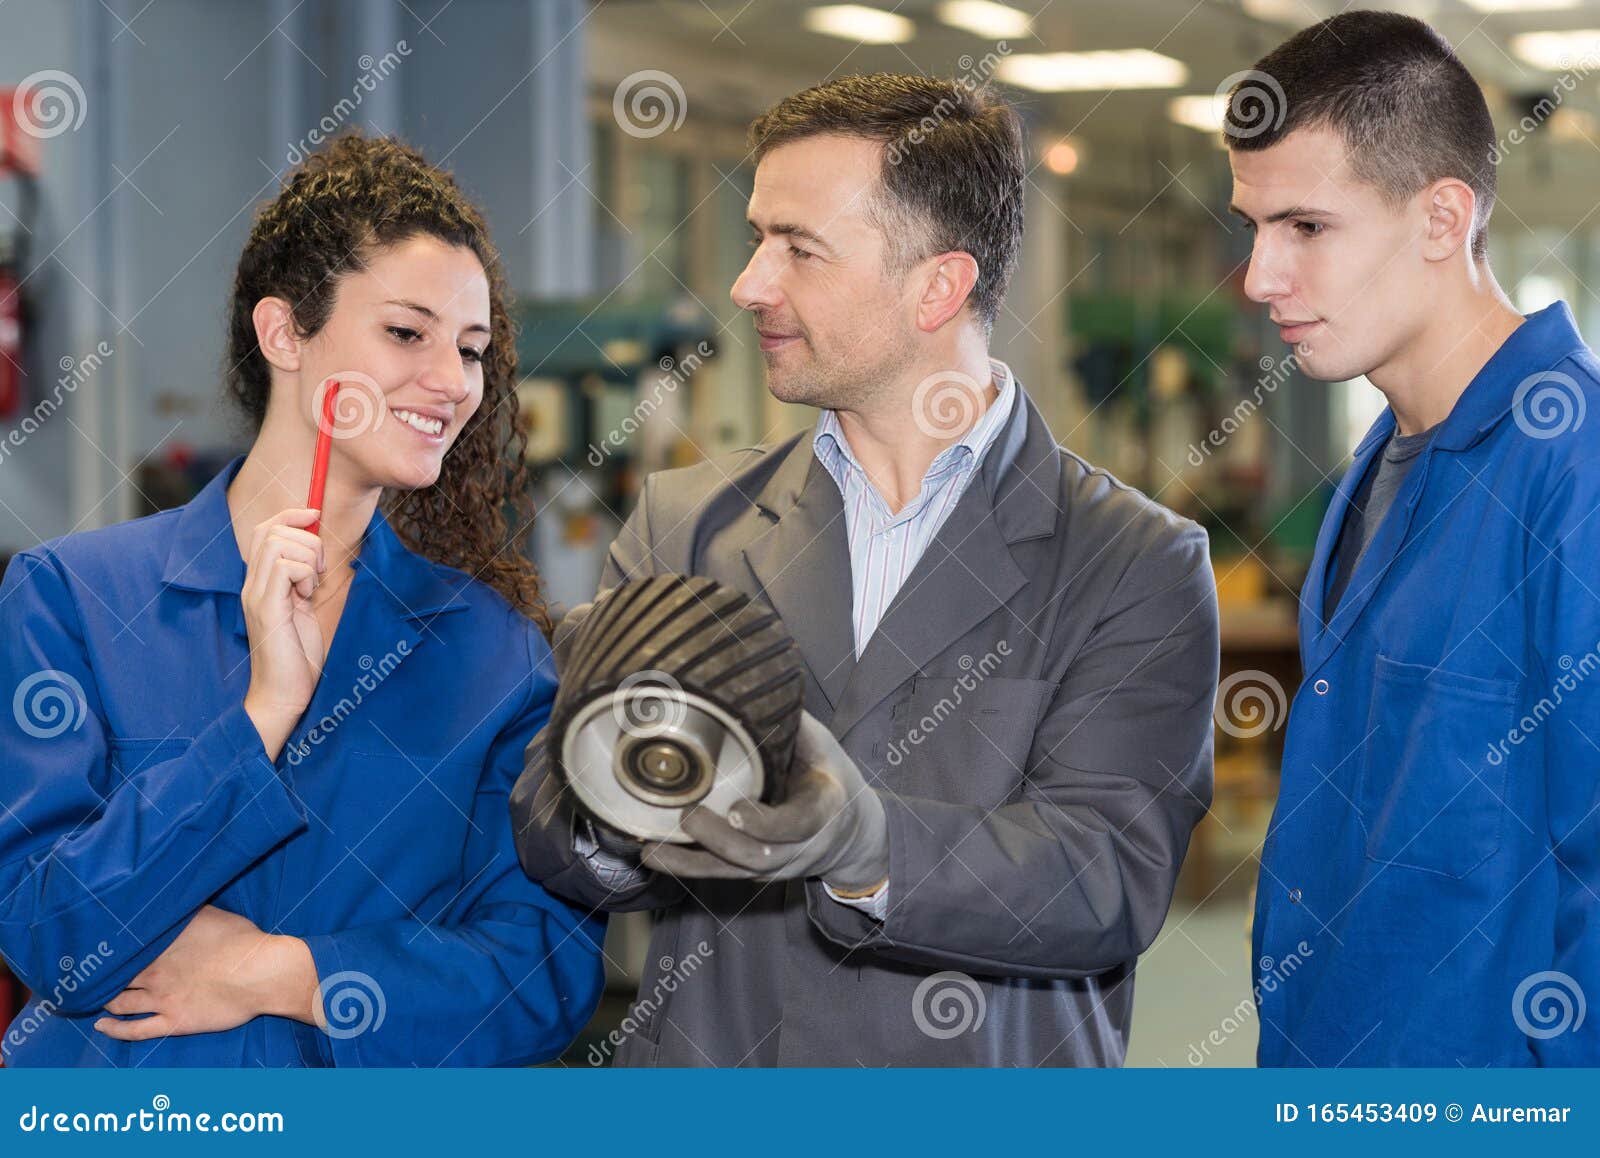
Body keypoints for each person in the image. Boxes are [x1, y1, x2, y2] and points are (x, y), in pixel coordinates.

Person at [514, 74, 1219, 1066]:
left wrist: (869, 845)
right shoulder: (685, 526)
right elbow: (553, 828)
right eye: (758, 237)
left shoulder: (1131, 562)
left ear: (937, 286)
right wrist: (602, 789)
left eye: (797, 248)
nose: (749, 283)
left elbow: (1103, 878)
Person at [0, 133, 603, 1066]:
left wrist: (287, 974)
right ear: (284, 332)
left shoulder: (493, 656)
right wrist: (260, 718)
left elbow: (543, 971)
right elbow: (50, 933)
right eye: (407, 333)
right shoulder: (73, 601)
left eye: (472, 349)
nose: (452, 383)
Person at [1227, 11, 1600, 1065]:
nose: (1259, 277)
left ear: (1441, 218)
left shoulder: (1574, 471)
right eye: (1252, 225)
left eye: (1305, 227)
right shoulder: (1381, 464)